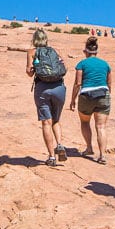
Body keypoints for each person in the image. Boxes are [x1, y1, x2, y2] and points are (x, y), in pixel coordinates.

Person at [27, 29, 68, 166]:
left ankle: (51, 157)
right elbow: (64, 68)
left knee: (46, 122)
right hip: (59, 88)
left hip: (42, 88)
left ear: (34, 40)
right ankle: (60, 144)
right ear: (46, 39)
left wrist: (34, 69)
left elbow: (28, 72)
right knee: (56, 120)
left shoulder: (32, 52)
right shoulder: (54, 51)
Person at [69, 36, 111, 164]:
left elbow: (78, 83)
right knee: (101, 126)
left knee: (85, 122)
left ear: (85, 51)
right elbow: (109, 83)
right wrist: (108, 96)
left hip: (86, 95)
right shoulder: (105, 64)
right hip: (103, 94)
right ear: (96, 51)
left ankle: (89, 148)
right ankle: (102, 155)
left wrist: (72, 100)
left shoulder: (82, 64)